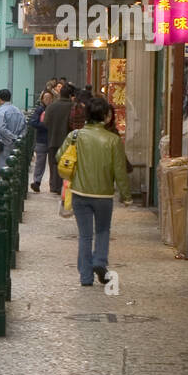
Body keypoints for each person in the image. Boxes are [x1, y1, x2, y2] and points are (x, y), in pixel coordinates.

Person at [56, 97, 131, 287]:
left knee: (85, 235)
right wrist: (126, 195)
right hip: (104, 195)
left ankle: (85, 277)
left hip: (80, 193)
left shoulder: (75, 136)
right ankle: (99, 262)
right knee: (103, 231)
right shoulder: (113, 140)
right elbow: (120, 171)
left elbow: (60, 156)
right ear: (106, 116)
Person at [42, 83, 76, 193]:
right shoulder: (73, 107)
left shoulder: (51, 106)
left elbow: (46, 123)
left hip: (53, 140)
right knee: (68, 164)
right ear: (71, 95)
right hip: (70, 142)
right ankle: (65, 188)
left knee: (54, 164)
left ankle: (54, 187)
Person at [0, 88, 27, 173]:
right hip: (17, 144)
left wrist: (12, 138)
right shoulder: (18, 111)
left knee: (3, 169)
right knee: (15, 168)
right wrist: (18, 138)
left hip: (4, 144)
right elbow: (24, 126)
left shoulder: (0, 112)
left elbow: (2, 129)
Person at [29, 91, 53, 192]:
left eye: (49, 98)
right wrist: (45, 125)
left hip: (52, 140)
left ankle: (53, 185)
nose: (48, 100)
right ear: (42, 99)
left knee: (53, 163)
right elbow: (33, 122)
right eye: (46, 98)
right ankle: (37, 182)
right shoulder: (39, 109)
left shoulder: (53, 109)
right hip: (41, 140)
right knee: (40, 162)